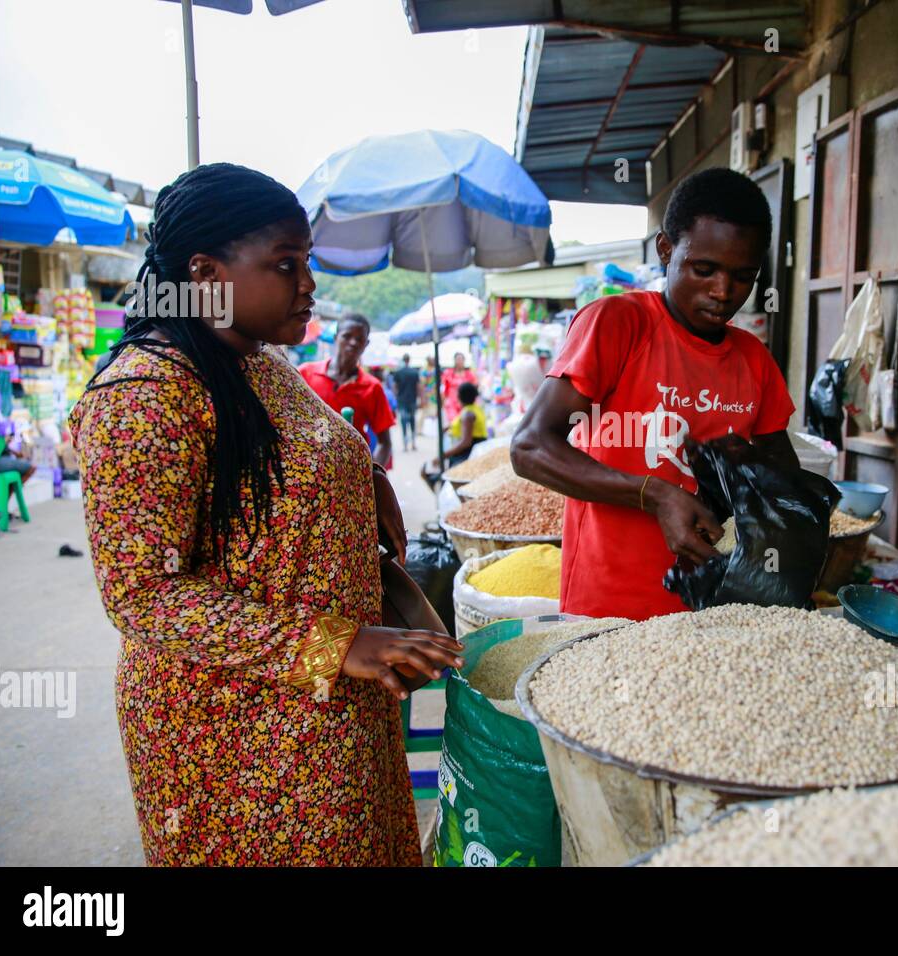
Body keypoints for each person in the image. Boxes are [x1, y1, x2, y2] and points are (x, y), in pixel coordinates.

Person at [68, 163, 463, 866]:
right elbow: (142, 596)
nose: (307, 283)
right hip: (236, 738)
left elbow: (296, 453)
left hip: (333, 710)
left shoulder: (258, 359)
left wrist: (361, 480)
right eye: (285, 264)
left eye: (306, 261)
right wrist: (333, 645)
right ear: (205, 271)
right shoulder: (142, 396)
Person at [512, 168, 798, 621]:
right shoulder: (617, 324)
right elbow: (529, 448)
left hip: (713, 613)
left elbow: (780, 480)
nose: (722, 292)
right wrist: (656, 495)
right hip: (608, 611)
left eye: (743, 276)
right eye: (703, 270)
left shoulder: (754, 360)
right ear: (666, 249)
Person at [298, 314, 396, 468]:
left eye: (359, 339)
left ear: (366, 344)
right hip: (308, 466)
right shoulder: (306, 374)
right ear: (336, 337)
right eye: (347, 336)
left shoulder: (372, 387)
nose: (353, 343)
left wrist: (371, 478)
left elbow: (385, 443)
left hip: (350, 469)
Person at [389, 355, 421, 451]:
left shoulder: (398, 372)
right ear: (409, 360)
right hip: (412, 400)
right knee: (412, 422)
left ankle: (405, 445)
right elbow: (418, 386)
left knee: (403, 422)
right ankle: (413, 443)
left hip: (402, 400)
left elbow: (394, 386)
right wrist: (419, 398)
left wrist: (395, 397)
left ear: (403, 360)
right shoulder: (414, 372)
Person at [440, 351, 476, 422]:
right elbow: (443, 390)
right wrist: (443, 402)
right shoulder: (448, 374)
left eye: (461, 359)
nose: (459, 362)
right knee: (454, 423)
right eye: (458, 359)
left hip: (465, 405)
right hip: (451, 404)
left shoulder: (470, 375)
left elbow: (473, 389)